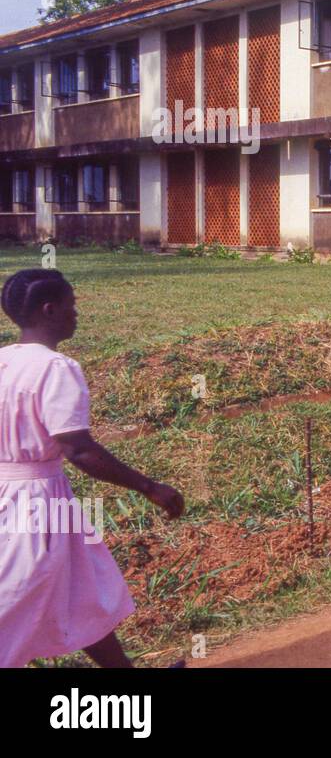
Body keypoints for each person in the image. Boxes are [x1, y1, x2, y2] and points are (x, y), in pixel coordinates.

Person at [0, 269, 185, 669]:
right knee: (13, 599)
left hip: (22, 495)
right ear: (50, 311)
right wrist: (149, 487)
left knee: (82, 592)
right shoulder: (56, 368)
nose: (76, 313)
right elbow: (78, 450)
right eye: (72, 305)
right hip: (35, 503)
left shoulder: (4, 362)